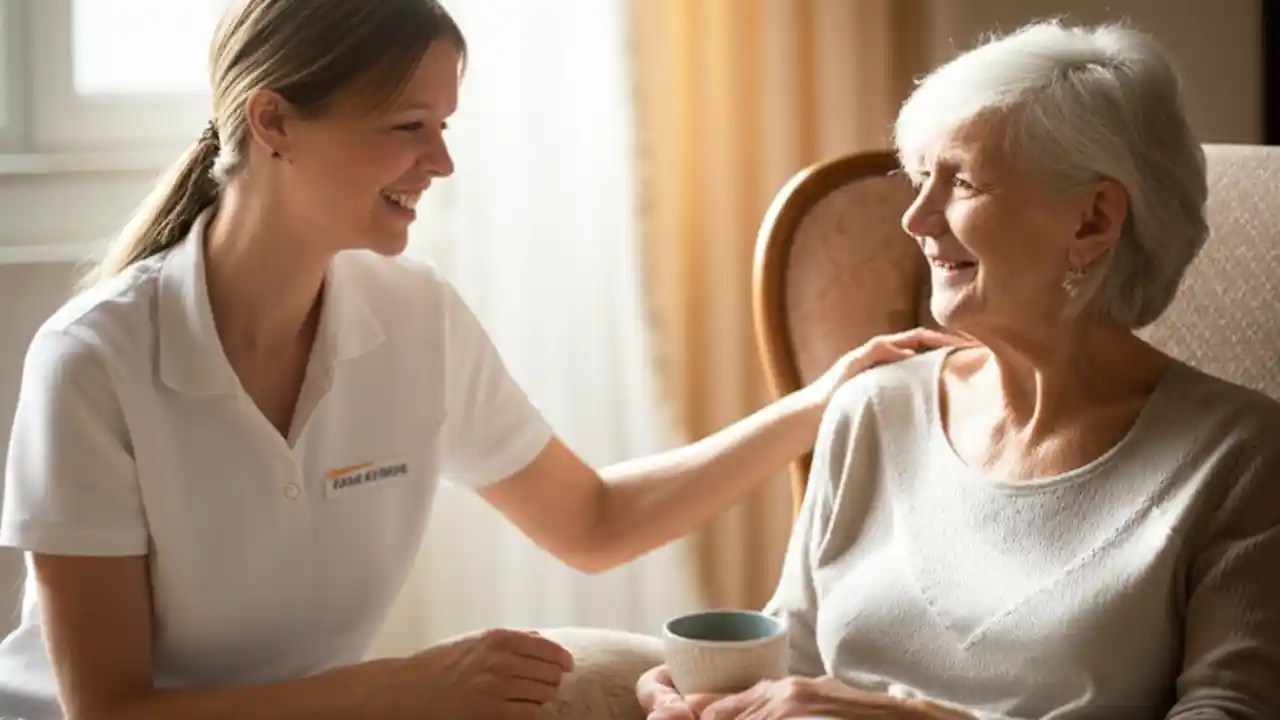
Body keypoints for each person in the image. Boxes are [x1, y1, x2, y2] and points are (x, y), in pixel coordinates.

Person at [0, 2, 963, 719]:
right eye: (407, 128)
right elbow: (110, 710)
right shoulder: (93, 364)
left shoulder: (415, 318)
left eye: (445, 128)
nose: (442, 164)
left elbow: (591, 521)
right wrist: (409, 685)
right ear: (274, 123)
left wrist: (818, 403)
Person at [639, 20, 1280, 720]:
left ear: (1093, 220)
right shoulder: (875, 410)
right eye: (919, 179)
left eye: (962, 182)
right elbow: (794, 656)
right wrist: (702, 697)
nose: (915, 217)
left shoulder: (1242, 456)